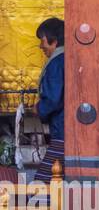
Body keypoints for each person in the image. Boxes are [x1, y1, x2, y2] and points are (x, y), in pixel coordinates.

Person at [33, 17, 65, 185]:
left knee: (42, 183)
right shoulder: (71, 58)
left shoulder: (57, 63)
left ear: (54, 41)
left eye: (42, 40)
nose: (41, 46)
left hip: (62, 132)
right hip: (70, 132)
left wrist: (39, 108)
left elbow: (53, 99)